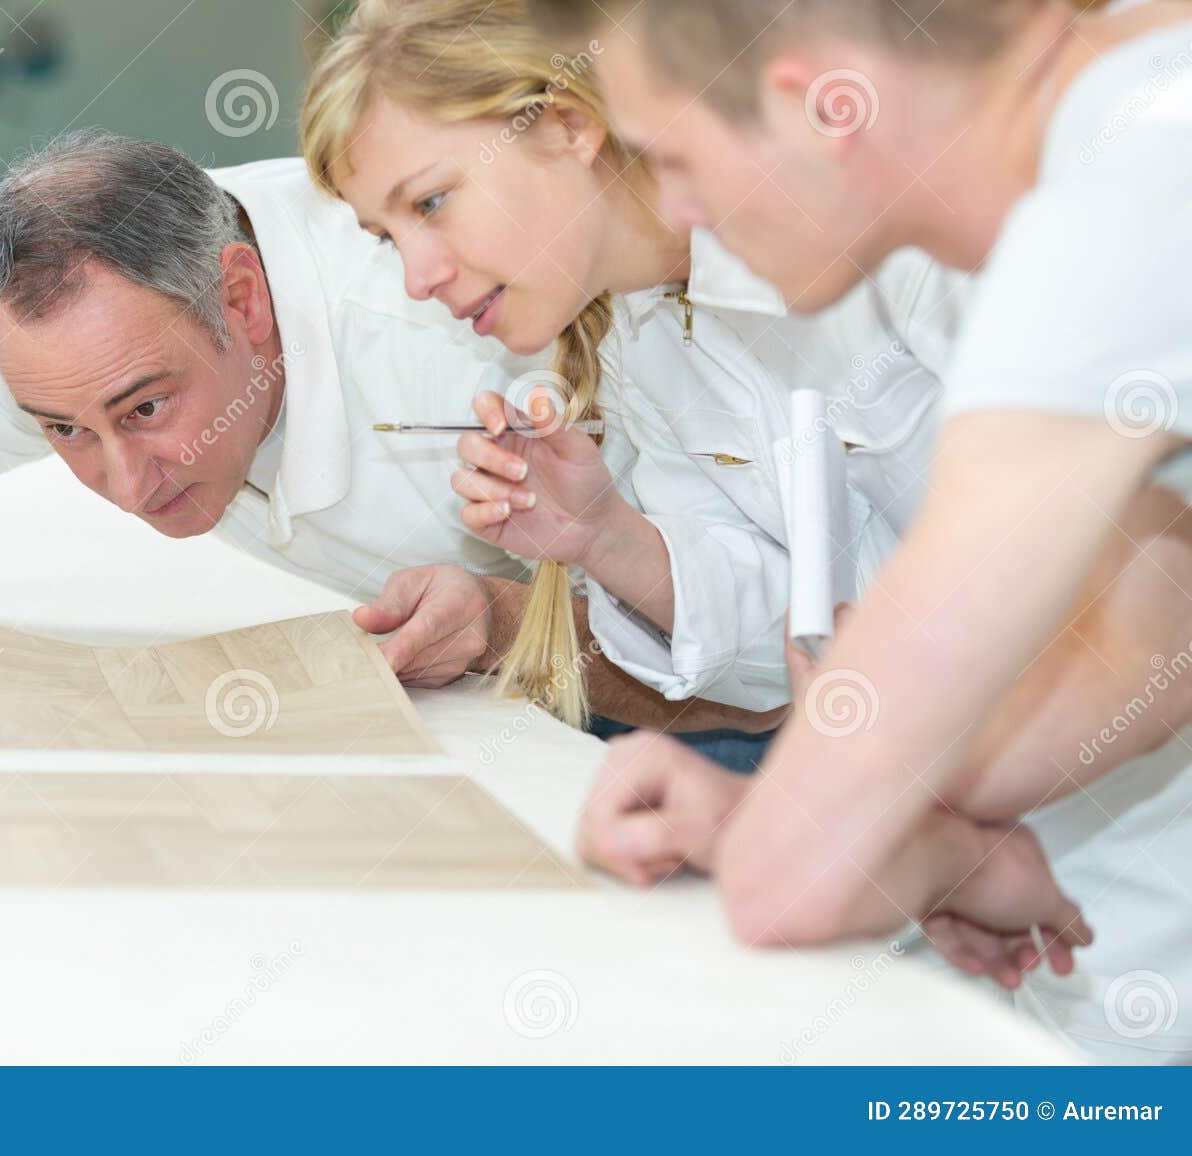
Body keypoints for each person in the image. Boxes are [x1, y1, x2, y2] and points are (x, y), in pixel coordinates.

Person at [302, 0, 1192, 987]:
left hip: (1127, 883)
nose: (680, 218)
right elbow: (1134, 608)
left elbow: (1135, 621)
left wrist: (880, 828)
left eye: (673, 159)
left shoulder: (1119, 178)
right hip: (1032, 855)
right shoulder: (1093, 153)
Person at [0, 130, 753, 735]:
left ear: (240, 299)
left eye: (147, 409)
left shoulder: (464, 317)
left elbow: (766, 666)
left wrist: (506, 619)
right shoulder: (53, 332)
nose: (121, 482)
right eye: (60, 429)